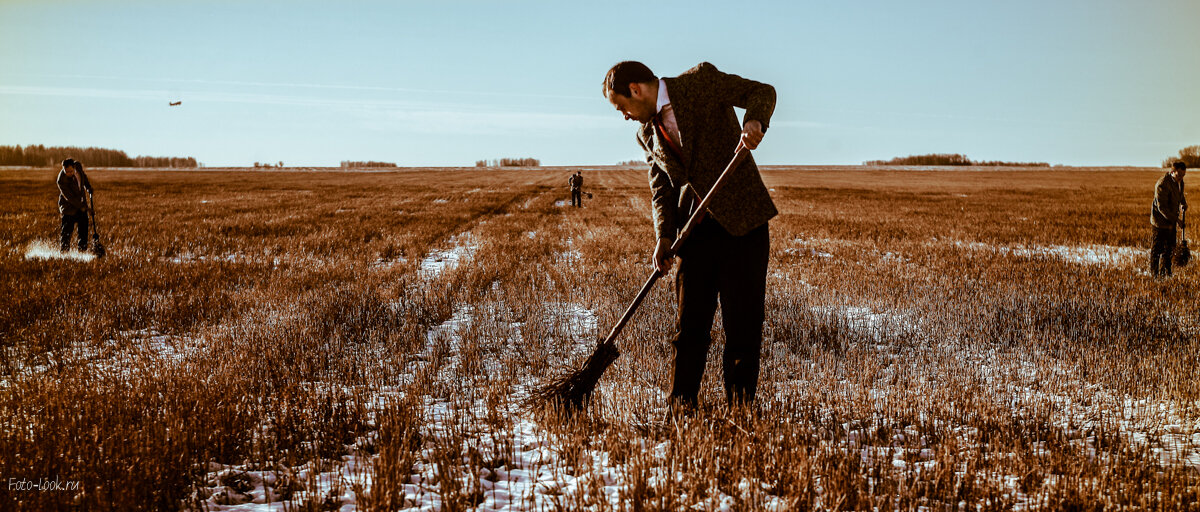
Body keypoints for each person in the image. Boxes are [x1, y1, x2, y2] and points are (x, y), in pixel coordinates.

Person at [603, 61, 777, 408]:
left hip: (742, 223)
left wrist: (753, 121)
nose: (623, 115)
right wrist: (663, 237)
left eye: (621, 106)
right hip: (694, 233)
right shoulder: (647, 135)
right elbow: (661, 189)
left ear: (635, 89)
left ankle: (740, 411)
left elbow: (762, 91)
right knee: (689, 329)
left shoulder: (699, 83)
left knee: (742, 329)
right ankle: (681, 409)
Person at [1150, 161, 1187, 277]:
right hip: (1160, 223)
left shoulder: (1180, 182)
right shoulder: (1162, 184)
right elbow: (1162, 208)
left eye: (1183, 175)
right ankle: (1154, 275)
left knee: (1170, 249)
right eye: (1178, 175)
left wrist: (1183, 203)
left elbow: (1180, 195)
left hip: (1171, 221)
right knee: (1157, 250)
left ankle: (1166, 273)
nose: (1181, 178)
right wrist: (1177, 220)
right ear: (1172, 172)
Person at [57, 158, 93, 252]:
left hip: (81, 205)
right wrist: (84, 207)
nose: (68, 173)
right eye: (66, 171)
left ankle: (82, 252)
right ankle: (64, 254)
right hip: (68, 208)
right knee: (66, 233)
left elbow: (83, 177)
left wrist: (88, 187)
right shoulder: (61, 180)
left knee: (83, 231)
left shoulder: (78, 167)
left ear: (74, 167)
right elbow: (70, 198)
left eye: (70, 171)